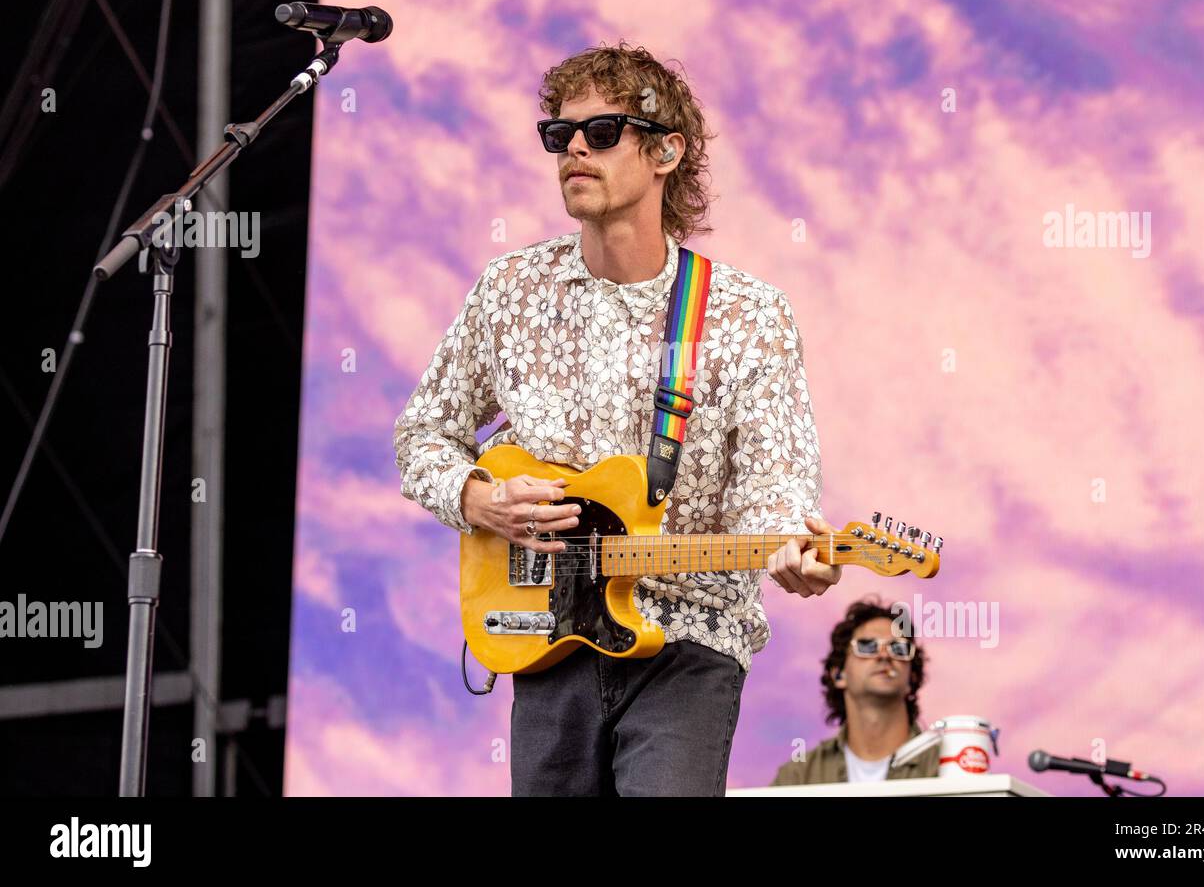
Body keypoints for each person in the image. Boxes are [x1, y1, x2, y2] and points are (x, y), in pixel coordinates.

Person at [394, 40, 837, 796]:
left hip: (690, 641)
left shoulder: (747, 315)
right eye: (558, 134)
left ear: (666, 152)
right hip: (544, 631)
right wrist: (478, 498)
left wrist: (792, 546)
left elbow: (774, 480)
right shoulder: (510, 291)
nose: (573, 147)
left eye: (602, 132)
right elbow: (422, 433)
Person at [771, 598, 940, 785]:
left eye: (898, 648)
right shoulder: (800, 776)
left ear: (912, 678)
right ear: (839, 675)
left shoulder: (946, 765)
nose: (884, 655)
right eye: (867, 646)